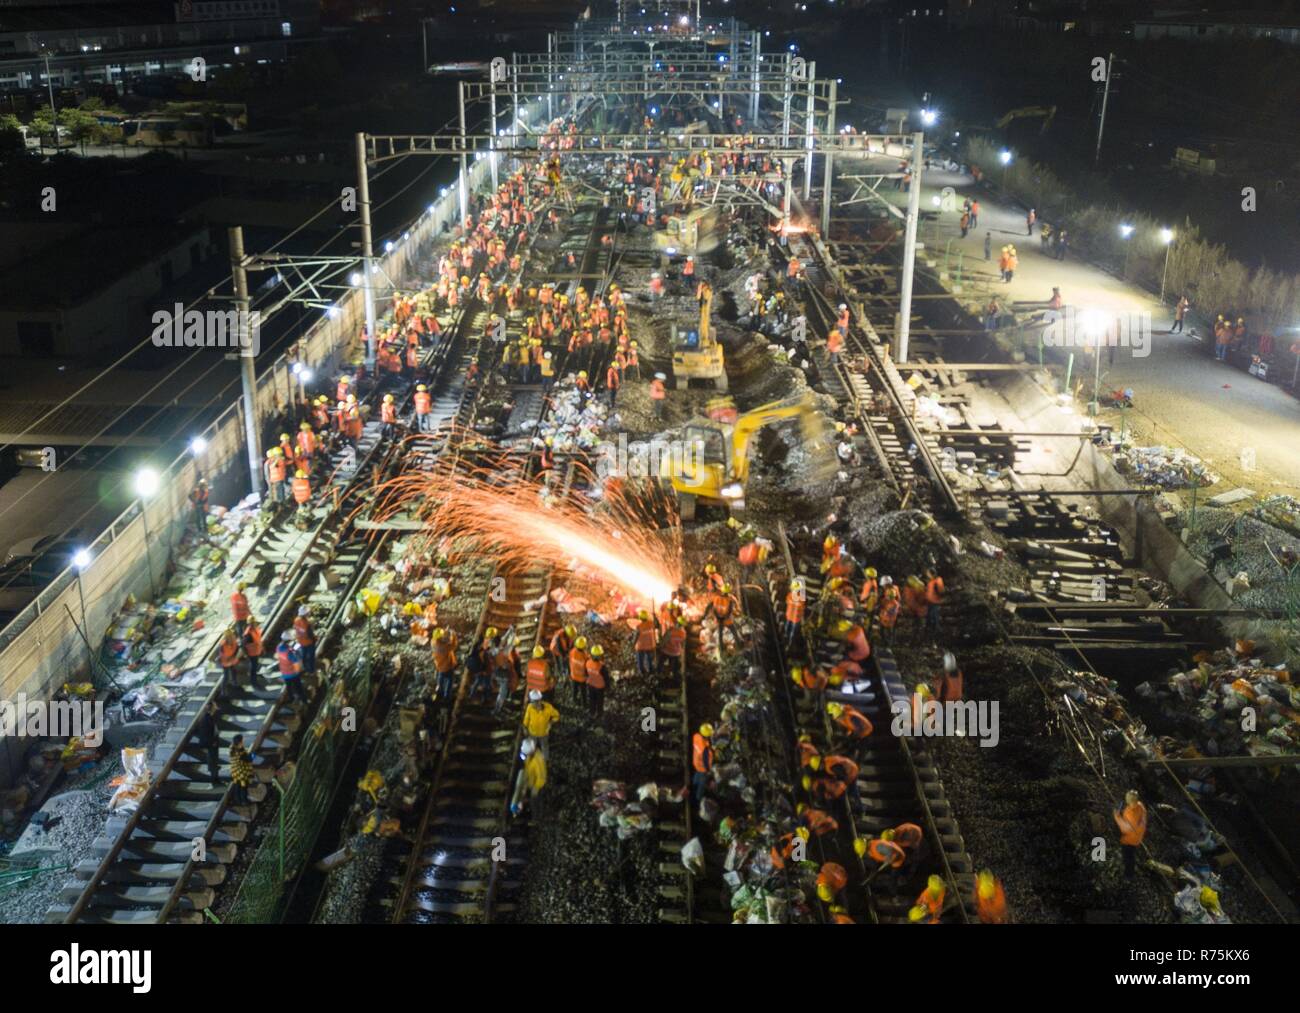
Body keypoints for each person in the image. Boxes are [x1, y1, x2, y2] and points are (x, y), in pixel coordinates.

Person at [1113, 789, 1147, 877]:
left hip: (1130, 839)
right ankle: (1130, 872)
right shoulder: (1140, 805)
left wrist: (1117, 817)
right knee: (1131, 853)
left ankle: (1129, 874)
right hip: (1139, 835)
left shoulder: (1130, 814)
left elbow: (1125, 829)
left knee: (1128, 856)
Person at [510, 737, 547, 816]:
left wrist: (536, 788)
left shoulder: (538, 761)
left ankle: (537, 816)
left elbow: (541, 777)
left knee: (535, 800)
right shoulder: (530, 755)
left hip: (537, 784)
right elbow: (525, 761)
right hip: (531, 779)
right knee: (528, 796)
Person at [522, 689, 560, 761]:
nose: (532, 704)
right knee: (532, 747)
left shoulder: (548, 708)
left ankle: (545, 760)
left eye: (534, 702)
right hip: (532, 733)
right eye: (532, 702)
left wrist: (551, 722)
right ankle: (531, 760)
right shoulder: (530, 707)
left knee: (544, 747)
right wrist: (525, 727)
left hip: (544, 733)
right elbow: (526, 718)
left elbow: (557, 716)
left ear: (539, 700)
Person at [276, 630, 307, 703]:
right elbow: (296, 663)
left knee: (289, 687)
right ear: (289, 640)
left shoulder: (278, 647)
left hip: (284, 672)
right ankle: (303, 700)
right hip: (292, 673)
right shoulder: (289, 652)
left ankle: (291, 699)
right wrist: (298, 672)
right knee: (299, 688)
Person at [196, 700, 221, 782]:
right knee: (213, 759)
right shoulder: (207, 719)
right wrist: (212, 742)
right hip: (211, 743)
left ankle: (215, 776)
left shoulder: (208, 717)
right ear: (212, 708)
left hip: (212, 742)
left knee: (213, 759)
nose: (216, 707)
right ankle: (214, 778)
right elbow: (206, 732)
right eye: (215, 706)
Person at [432, 626, 460, 700]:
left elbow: (443, 640)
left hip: (439, 666)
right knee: (449, 681)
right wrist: (453, 635)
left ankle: (439, 694)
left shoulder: (433, 642)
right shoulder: (444, 647)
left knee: (440, 680)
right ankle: (446, 697)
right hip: (447, 666)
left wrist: (446, 631)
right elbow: (453, 645)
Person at [691, 723, 714, 804]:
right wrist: (708, 771)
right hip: (702, 767)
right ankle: (697, 799)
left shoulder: (696, 736)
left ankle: (693, 786)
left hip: (696, 763)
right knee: (702, 784)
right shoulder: (705, 750)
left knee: (696, 777)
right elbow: (706, 762)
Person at [229, 734, 254, 806]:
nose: (243, 741)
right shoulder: (239, 751)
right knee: (243, 786)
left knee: (237, 786)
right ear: (240, 742)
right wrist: (253, 755)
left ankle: (237, 800)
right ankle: (244, 801)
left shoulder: (232, 748)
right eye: (242, 740)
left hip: (235, 771)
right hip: (241, 772)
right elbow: (248, 759)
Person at [585, 643, 609, 717]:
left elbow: (586, 673)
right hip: (599, 687)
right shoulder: (602, 666)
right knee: (600, 701)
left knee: (592, 699)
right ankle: (599, 713)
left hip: (590, 685)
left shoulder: (587, 662)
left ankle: (592, 712)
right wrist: (608, 687)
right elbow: (606, 678)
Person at [632, 608, 658, 675]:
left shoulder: (639, 626)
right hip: (650, 645)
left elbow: (636, 637)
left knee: (640, 660)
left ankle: (642, 672)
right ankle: (651, 670)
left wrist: (633, 644)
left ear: (640, 617)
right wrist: (655, 617)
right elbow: (657, 624)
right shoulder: (651, 624)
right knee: (650, 660)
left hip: (641, 647)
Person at [241, 617, 265, 687]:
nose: (255, 624)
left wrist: (262, 648)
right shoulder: (248, 633)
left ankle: (255, 677)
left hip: (256, 651)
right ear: (250, 624)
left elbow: (258, 640)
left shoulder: (255, 629)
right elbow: (243, 644)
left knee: (255, 665)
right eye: (253, 623)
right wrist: (246, 654)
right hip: (252, 653)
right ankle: (253, 680)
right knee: (253, 666)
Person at [294, 606, 317, 678]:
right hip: (308, 642)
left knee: (304, 656)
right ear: (305, 614)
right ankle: (311, 671)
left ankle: (305, 668)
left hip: (301, 641)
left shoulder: (296, 620)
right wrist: (315, 639)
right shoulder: (307, 623)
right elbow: (310, 634)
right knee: (311, 657)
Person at [568, 635, 590, 708]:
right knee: (583, 692)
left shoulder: (572, 652)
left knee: (575, 689)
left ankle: (574, 700)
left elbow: (570, 662)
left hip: (574, 675)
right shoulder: (585, 656)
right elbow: (587, 667)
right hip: (582, 678)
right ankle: (584, 704)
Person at [784, 577, 806, 646]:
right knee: (787, 630)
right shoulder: (790, 595)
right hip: (791, 616)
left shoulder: (799, 597)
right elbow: (788, 601)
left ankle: (789, 644)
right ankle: (786, 641)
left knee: (792, 633)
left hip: (795, 618)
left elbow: (801, 606)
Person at [217, 627, 241, 691]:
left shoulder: (234, 641)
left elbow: (236, 649)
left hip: (231, 660)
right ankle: (223, 691)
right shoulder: (222, 645)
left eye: (232, 635)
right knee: (226, 677)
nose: (232, 636)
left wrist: (235, 657)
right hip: (225, 662)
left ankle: (234, 683)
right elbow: (222, 655)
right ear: (227, 637)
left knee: (234, 671)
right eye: (230, 635)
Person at [923, 567, 945, 636]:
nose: (927, 574)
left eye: (928, 573)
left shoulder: (937, 580)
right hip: (929, 603)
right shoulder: (930, 581)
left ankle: (936, 637)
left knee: (934, 621)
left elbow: (941, 591)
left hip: (935, 604)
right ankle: (930, 637)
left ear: (932, 573)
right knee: (929, 620)